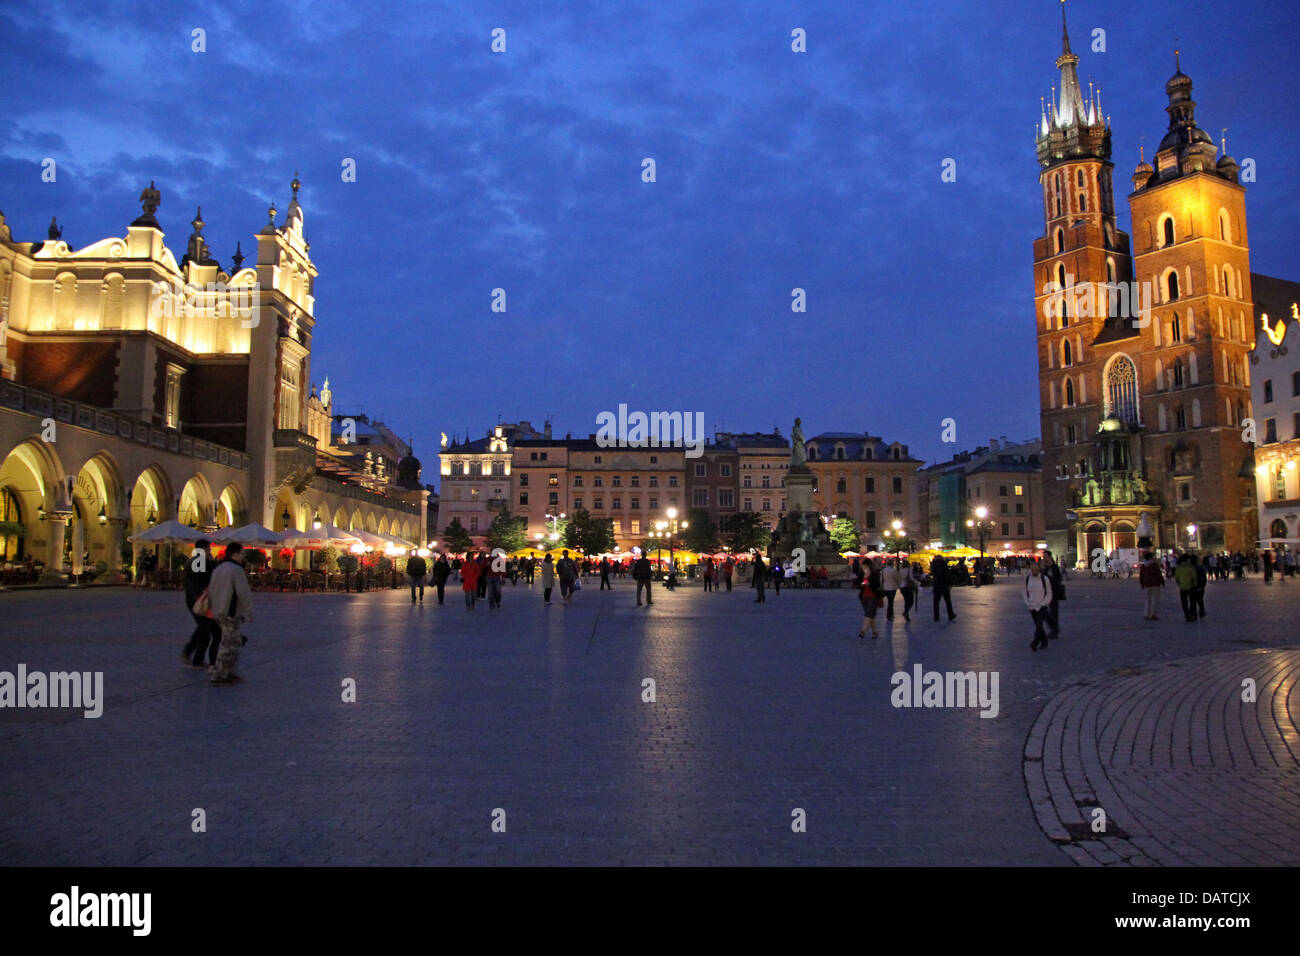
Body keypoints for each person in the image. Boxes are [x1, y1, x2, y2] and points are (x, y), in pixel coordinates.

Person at [208, 542, 253, 685]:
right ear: (236, 553)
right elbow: (242, 592)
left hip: (219, 610)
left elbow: (211, 589)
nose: (242, 557)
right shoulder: (236, 569)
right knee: (229, 644)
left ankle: (228, 671)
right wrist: (249, 610)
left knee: (233, 642)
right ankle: (219, 675)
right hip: (230, 611)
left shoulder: (218, 568)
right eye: (242, 553)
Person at [181, 539, 220, 668]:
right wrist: (212, 562)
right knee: (205, 629)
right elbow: (209, 577)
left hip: (195, 598)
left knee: (203, 627)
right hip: (199, 600)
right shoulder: (200, 561)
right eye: (209, 549)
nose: (210, 551)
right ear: (204, 549)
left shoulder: (194, 560)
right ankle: (195, 658)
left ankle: (191, 654)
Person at [1023, 561, 1054, 651]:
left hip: (1042, 606)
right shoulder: (1028, 579)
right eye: (1033, 570)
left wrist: (1044, 603)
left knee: (1039, 624)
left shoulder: (1045, 579)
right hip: (1032, 606)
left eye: (1036, 570)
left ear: (1039, 569)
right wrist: (1027, 602)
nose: (1034, 572)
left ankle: (1035, 642)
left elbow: (1049, 592)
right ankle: (1044, 641)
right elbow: (1024, 591)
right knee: (1038, 625)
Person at [1042, 551, 1063, 638]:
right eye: (1043, 557)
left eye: (1045, 556)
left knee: (1053, 612)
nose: (1044, 558)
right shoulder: (1045, 568)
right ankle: (1054, 628)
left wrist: (1050, 577)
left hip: (1053, 593)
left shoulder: (1054, 567)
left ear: (1050, 557)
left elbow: (1058, 579)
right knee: (1043, 610)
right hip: (1046, 593)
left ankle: (1054, 631)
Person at [930, 553, 956, 622]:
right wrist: (950, 583)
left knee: (936, 603)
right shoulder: (944, 565)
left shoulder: (933, 566)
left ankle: (936, 617)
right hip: (944, 586)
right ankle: (950, 615)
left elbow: (933, 575)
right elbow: (947, 575)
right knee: (948, 601)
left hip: (936, 586)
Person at [858, 562, 881, 639]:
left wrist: (869, 584)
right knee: (870, 616)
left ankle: (863, 631)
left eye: (864, 566)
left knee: (868, 614)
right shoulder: (861, 574)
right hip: (864, 596)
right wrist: (861, 584)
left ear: (868, 566)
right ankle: (875, 632)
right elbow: (858, 583)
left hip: (873, 596)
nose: (863, 567)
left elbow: (877, 585)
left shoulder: (874, 574)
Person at [1139, 551, 1163, 621]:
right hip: (1155, 584)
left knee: (1147, 600)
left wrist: (1142, 584)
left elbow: (1141, 576)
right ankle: (1152, 614)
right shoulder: (1154, 565)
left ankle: (1146, 614)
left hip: (1147, 584)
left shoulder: (1143, 566)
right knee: (1154, 600)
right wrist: (1162, 581)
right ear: (1151, 558)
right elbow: (1158, 574)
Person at [1173, 553, 1198, 622]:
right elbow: (1194, 577)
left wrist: (1180, 584)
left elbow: (1176, 578)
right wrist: (1195, 584)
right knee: (1192, 601)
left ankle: (1186, 614)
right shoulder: (1191, 567)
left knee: (1184, 602)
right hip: (1191, 587)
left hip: (1182, 587)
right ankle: (1191, 613)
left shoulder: (1178, 568)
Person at [1193, 554, 1208, 619]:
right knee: (1200, 600)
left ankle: (1193, 612)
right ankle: (1201, 611)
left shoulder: (1190, 567)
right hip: (1199, 586)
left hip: (1191, 586)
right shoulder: (1200, 568)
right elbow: (1204, 577)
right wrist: (1203, 585)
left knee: (1193, 600)